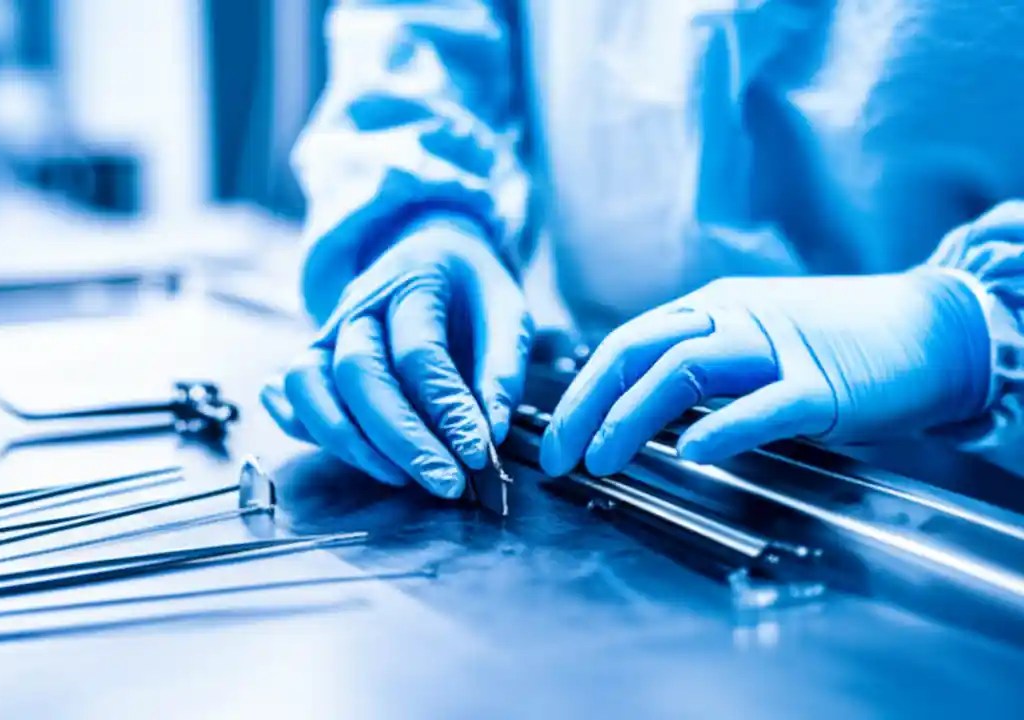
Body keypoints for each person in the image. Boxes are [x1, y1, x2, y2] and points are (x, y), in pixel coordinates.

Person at [261, 0, 1024, 499]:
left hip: (970, 505)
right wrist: (419, 217)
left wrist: (969, 329)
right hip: (629, 469)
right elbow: (429, 22)